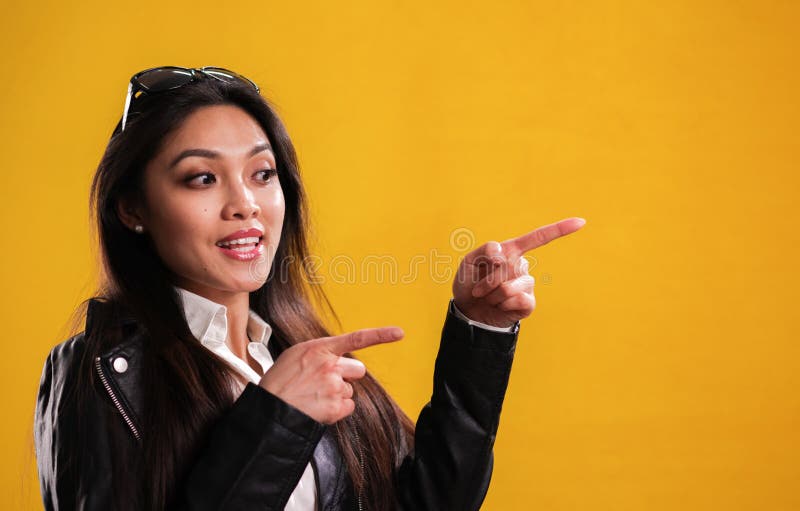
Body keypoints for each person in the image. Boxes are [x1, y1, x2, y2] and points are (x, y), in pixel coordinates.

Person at [33, 66, 586, 511]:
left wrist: (480, 330)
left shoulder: (293, 355)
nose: (244, 204)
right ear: (133, 208)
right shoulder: (99, 374)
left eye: (262, 174)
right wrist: (275, 420)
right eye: (202, 177)